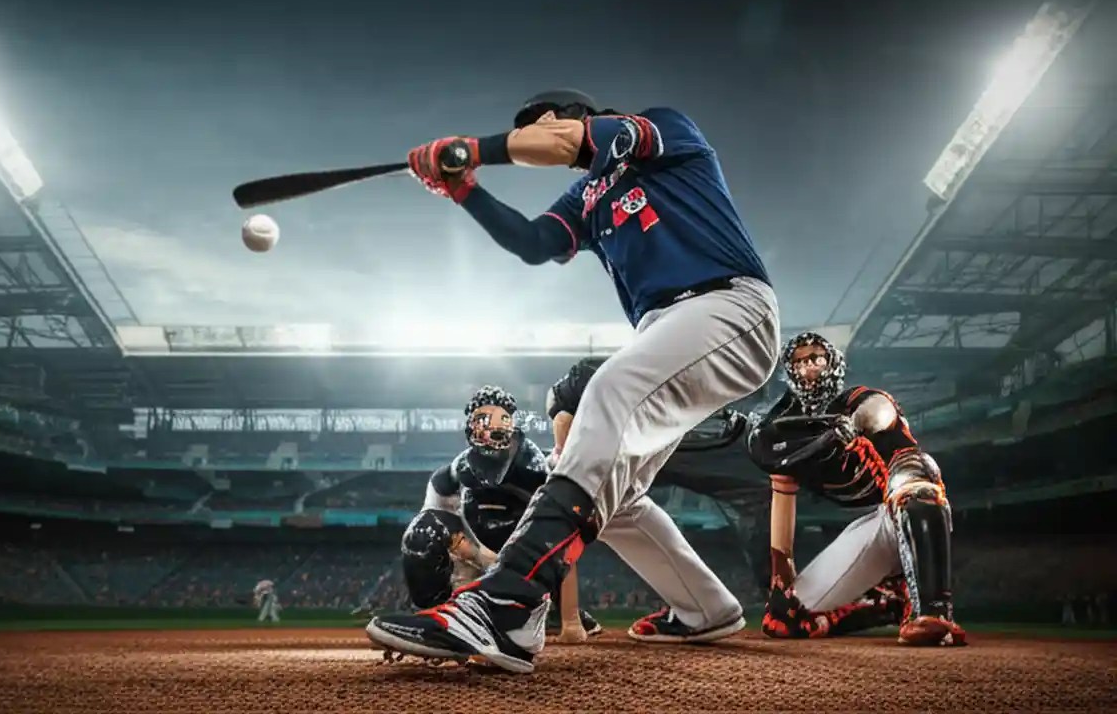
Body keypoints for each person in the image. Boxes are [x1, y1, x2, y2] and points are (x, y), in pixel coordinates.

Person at [365, 89, 781, 673]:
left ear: (572, 116)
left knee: (605, 392)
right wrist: (464, 189)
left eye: (540, 124)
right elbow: (534, 243)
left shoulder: (660, 130)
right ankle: (705, 608)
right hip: (667, 329)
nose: (536, 134)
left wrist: (469, 150)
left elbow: (565, 141)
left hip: (727, 306)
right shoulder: (586, 195)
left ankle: (508, 603)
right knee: (615, 490)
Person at [746, 331, 966, 647]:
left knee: (917, 480)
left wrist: (855, 422)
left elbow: (881, 408)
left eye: (816, 357)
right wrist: (782, 578)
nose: (808, 365)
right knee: (785, 618)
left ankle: (933, 612)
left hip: (903, 514)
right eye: (799, 360)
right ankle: (891, 600)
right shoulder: (789, 428)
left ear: (832, 362)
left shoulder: (856, 401)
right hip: (875, 531)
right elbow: (782, 494)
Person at [545, 355, 753, 642]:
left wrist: (564, 458)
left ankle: (707, 609)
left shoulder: (585, 383)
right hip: (683, 390)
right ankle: (706, 607)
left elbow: (564, 404)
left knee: (602, 500)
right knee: (618, 505)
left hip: (668, 391)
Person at [400, 385, 602, 644]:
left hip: (527, 564)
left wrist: (570, 619)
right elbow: (432, 521)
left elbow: (563, 540)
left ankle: (545, 609)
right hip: (479, 556)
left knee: (557, 533)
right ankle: (437, 615)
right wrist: (469, 552)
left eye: (501, 418)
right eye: (484, 418)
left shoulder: (539, 471)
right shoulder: (453, 474)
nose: (492, 427)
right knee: (423, 532)